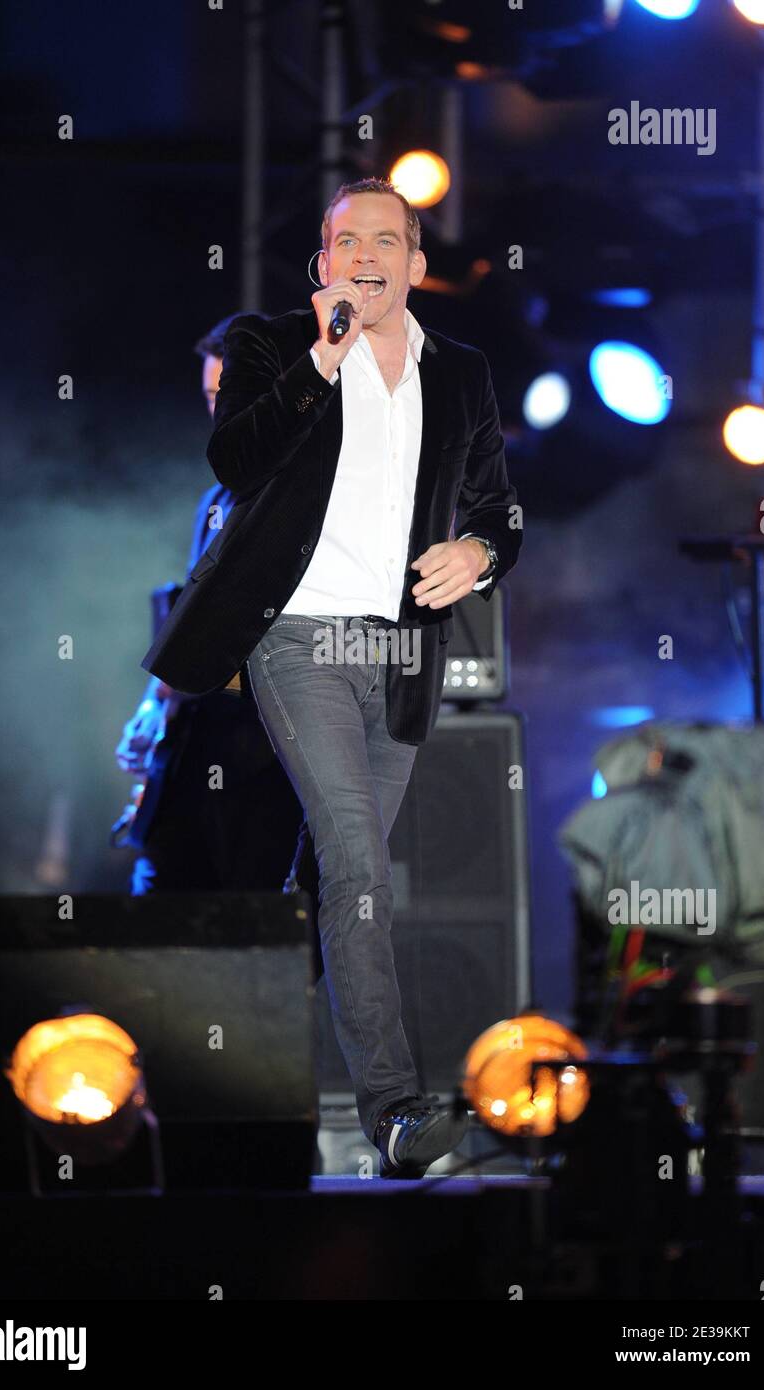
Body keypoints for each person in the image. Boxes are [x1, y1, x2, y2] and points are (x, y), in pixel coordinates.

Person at [142, 177, 523, 1178]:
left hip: (397, 651)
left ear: (415, 263)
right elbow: (236, 459)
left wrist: (478, 553)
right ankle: (397, 1110)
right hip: (296, 639)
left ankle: (228, 1048)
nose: (365, 253)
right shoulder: (276, 346)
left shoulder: (464, 372)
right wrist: (323, 356)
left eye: (386, 240)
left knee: (329, 885)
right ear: (324, 264)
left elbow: (500, 507)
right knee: (357, 862)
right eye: (344, 240)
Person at [115, 317, 307, 911]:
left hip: (270, 746)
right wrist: (155, 704)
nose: (216, 416)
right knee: (162, 893)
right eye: (208, 400)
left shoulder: (303, 485)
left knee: (255, 913)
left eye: (227, 399)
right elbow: (194, 613)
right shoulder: (214, 500)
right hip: (200, 739)